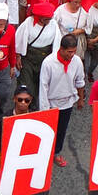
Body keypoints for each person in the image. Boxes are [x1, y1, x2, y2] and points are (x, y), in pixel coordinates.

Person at [38, 34, 87, 169]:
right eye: (69, 52)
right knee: (47, 130)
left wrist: (80, 99)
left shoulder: (77, 61)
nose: (72, 54)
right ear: (61, 49)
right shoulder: (48, 62)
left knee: (61, 130)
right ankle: (43, 153)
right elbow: (43, 87)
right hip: (51, 103)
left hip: (67, 103)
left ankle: (56, 152)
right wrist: (44, 109)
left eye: (74, 51)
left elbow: (80, 81)